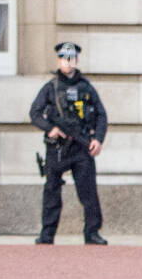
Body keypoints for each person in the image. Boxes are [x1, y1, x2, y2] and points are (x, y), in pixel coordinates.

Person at [29, 42, 108, 245]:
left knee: (88, 191)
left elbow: (101, 115)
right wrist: (50, 129)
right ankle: (47, 234)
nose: (68, 61)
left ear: (77, 60)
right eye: (65, 57)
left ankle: (92, 233)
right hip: (58, 148)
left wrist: (98, 139)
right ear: (59, 60)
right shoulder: (51, 87)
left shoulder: (86, 87)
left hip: (82, 146)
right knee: (52, 189)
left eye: (72, 58)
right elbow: (35, 113)